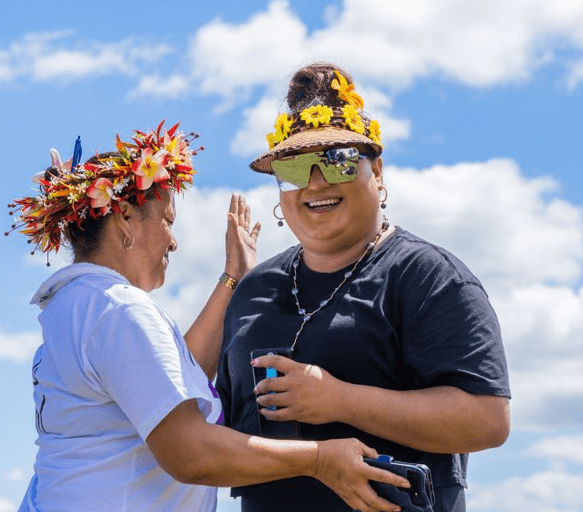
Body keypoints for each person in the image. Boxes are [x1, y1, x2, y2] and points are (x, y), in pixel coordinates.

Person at [6, 121, 411, 512]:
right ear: (125, 216)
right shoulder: (118, 309)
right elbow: (189, 453)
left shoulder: (78, 304)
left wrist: (233, 276)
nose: (174, 241)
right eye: (167, 221)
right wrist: (320, 459)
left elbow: (170, 382)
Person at [215, 63, 512, 512]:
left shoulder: (427, 276)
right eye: (293, 167)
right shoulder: (255, 289)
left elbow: (487, 419)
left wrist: (338, 400)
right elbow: (225, 431)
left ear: (376, 168)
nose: (314, 182)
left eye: (336, 161)